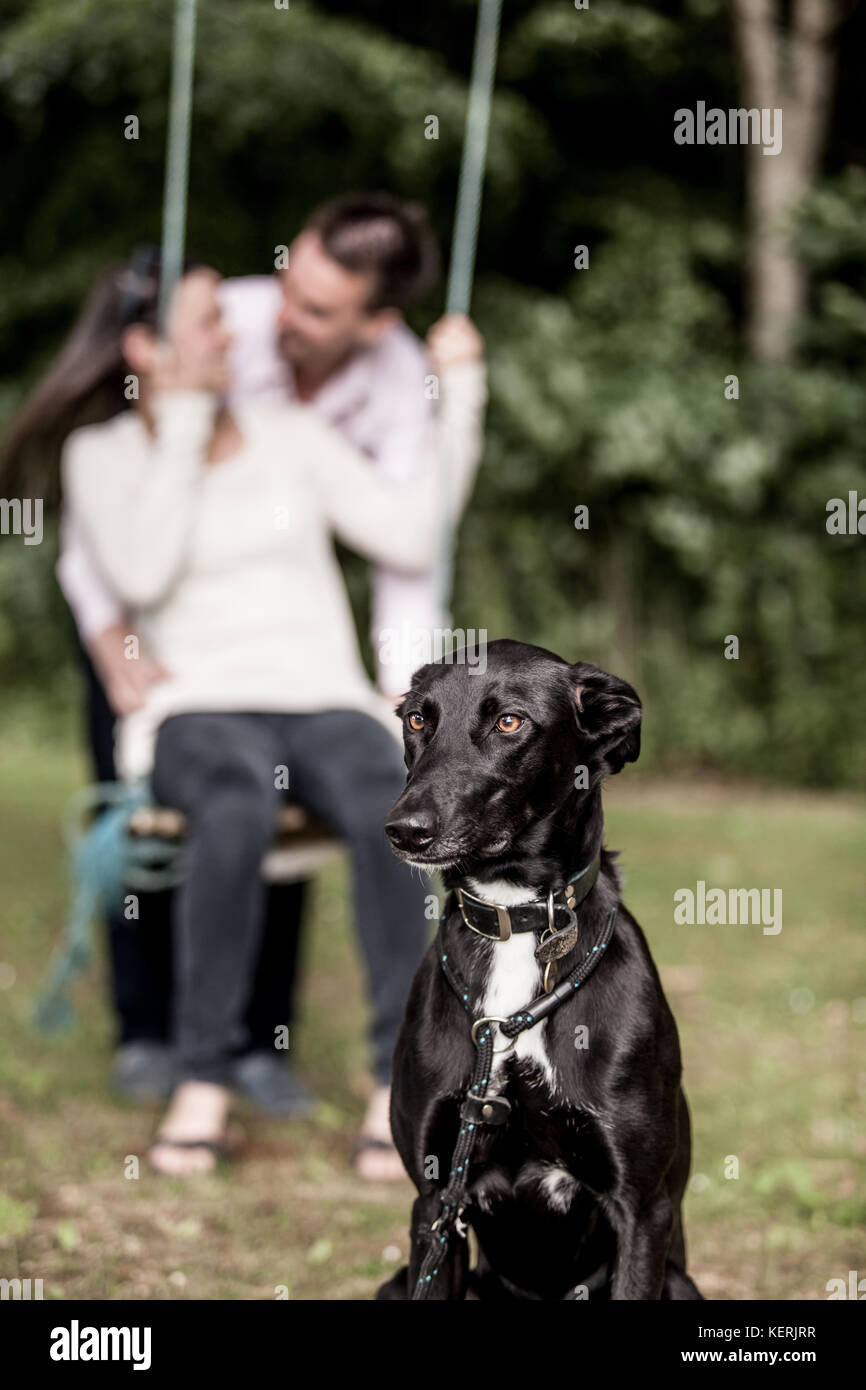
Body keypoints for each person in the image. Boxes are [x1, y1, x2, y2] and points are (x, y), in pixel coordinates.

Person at [51, 197, 460, 1155]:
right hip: (196, 696)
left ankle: (387, 1085)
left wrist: (461, 400)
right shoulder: (103, 450)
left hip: (315, 692)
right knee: (231, 801)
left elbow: (409, 544)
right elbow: (132, 569)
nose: (245, 333)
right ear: (149, 349)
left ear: (370, 318)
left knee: (386, 800)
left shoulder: (317, 424)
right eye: (211, 326)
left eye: (316, 310)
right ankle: (196, 1072)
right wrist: (184, 422)